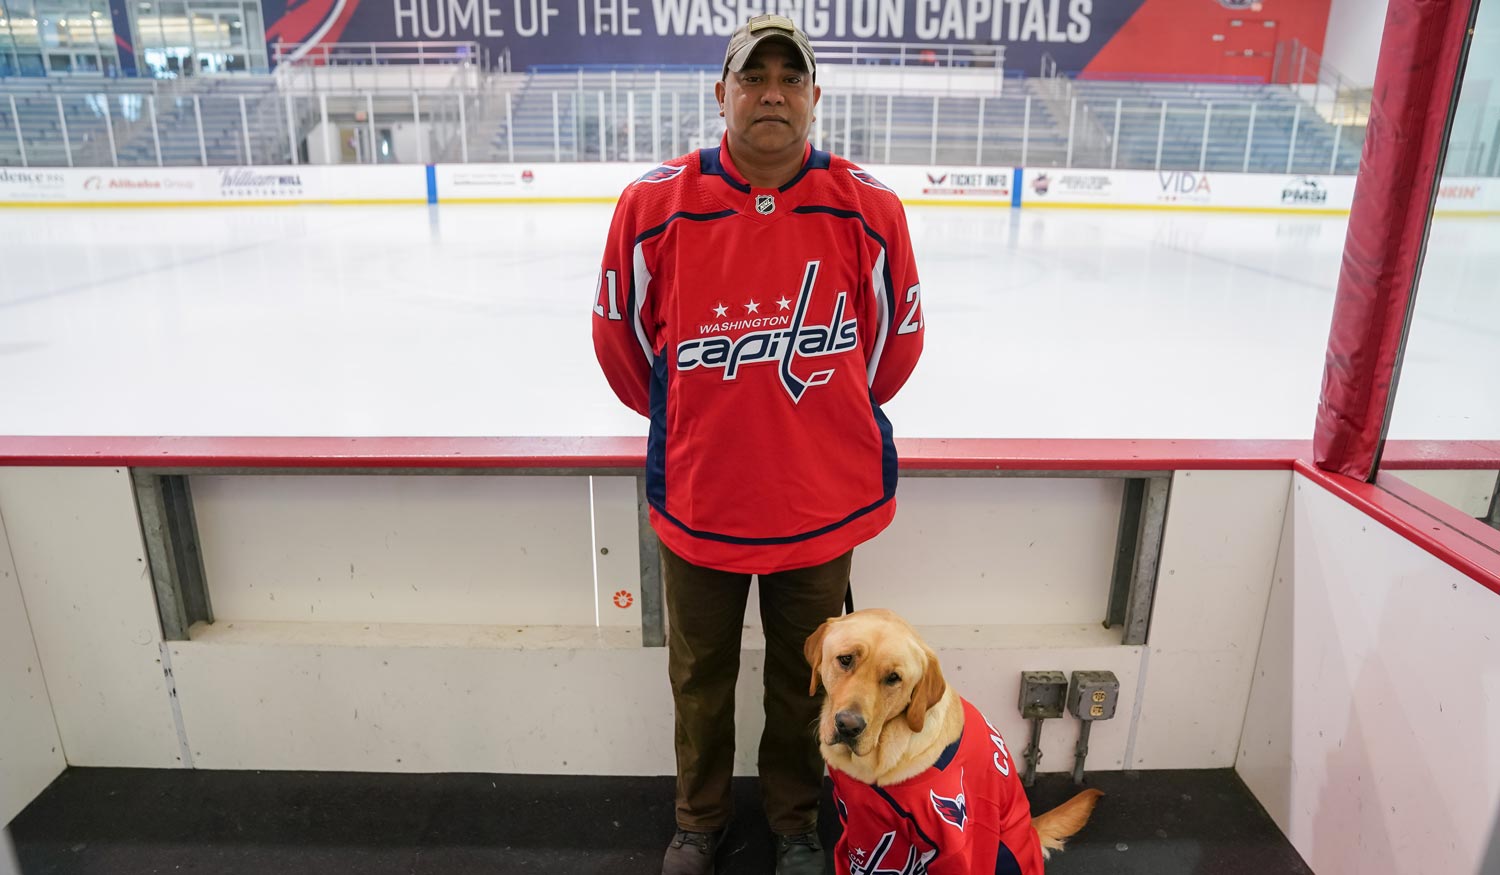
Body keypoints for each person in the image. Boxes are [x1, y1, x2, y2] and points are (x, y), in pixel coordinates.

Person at [591, 14, 925, 875]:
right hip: (701, 501)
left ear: (814, 95)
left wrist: (820, 424)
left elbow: (893, 351)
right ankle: (698, 819)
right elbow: (622, 346)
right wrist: (695, 420)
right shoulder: (652, 207)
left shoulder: (871, 209)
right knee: (698, 678)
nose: (772, 92)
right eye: (753, 77)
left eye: (790, 77)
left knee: (811, 681)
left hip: (820, 507)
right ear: (722, 93)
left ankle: (795, 821)